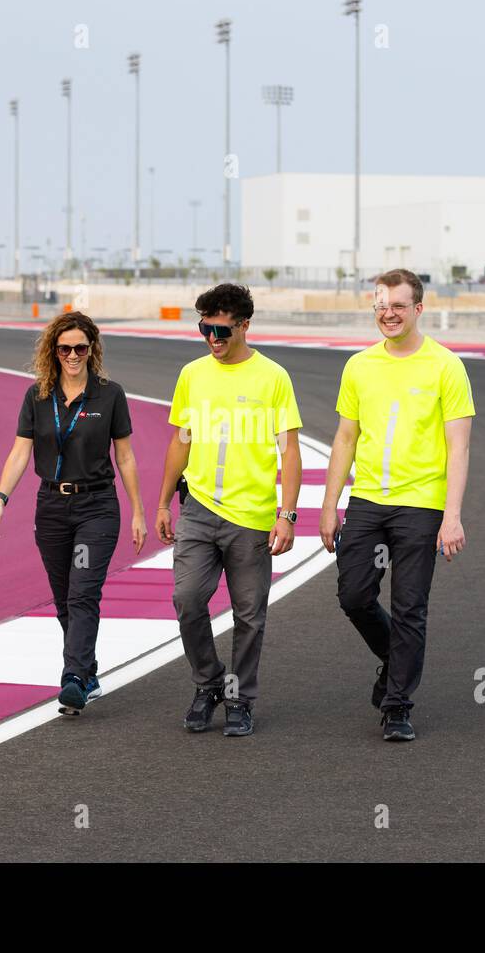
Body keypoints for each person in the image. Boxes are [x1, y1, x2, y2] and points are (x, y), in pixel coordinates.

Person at [319, 268, 474, 742]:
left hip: (422, 506)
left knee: (410, 608)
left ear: (418, 309)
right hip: (367, 500)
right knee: (354, 596)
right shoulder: (359, 366)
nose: (388, 314)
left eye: (399, 306)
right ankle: (396, 658)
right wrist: (329, 506)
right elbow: (345, 438)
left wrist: (452, 517)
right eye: (381, 307)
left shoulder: (446, 366)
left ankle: (398, 705)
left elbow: (459, 447)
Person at [156, 283, 303, 737]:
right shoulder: (193, 374)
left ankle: (240, 697)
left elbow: (290, 451)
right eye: (205, 329)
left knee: (249, 615)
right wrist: (163, 501)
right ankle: (208, 683)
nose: (212, 339)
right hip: (198, 509)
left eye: (221, 329)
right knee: (187, 600)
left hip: (252, 517)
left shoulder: (273, 377)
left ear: (243, 325)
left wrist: (288, 513)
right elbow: (181, 441)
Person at [0, 311, 146, 715]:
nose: (72, 355)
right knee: (63, 599)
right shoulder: (38, 396)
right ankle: (87, 669)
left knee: (82, 592)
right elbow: (21, 451)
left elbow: (125, 458)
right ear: (53, 351)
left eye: (80, 348)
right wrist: (0, 498)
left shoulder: (110, 395)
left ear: (91, 350)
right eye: (64, 348)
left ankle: (73, 678)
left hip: (97, 507)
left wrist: (139, 512)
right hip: (52, 507)